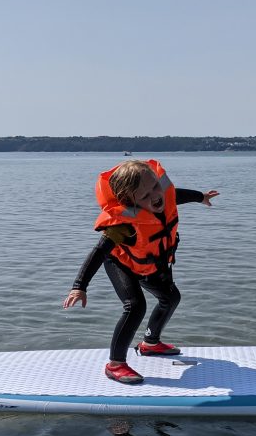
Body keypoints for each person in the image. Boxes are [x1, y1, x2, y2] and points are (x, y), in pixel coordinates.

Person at [62, 159, 219, 384]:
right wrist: (79, 287)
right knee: (135, 306)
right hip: (121, 264)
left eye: (155, 186)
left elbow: (176, 196)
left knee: (170, 297)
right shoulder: (122, 225)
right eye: (144, 196)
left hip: (149, 263)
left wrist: (200, 197)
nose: (155, 196)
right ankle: (115, 364)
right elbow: (98, 252)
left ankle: (150, 344)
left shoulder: (162, 197)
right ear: (129, 202)